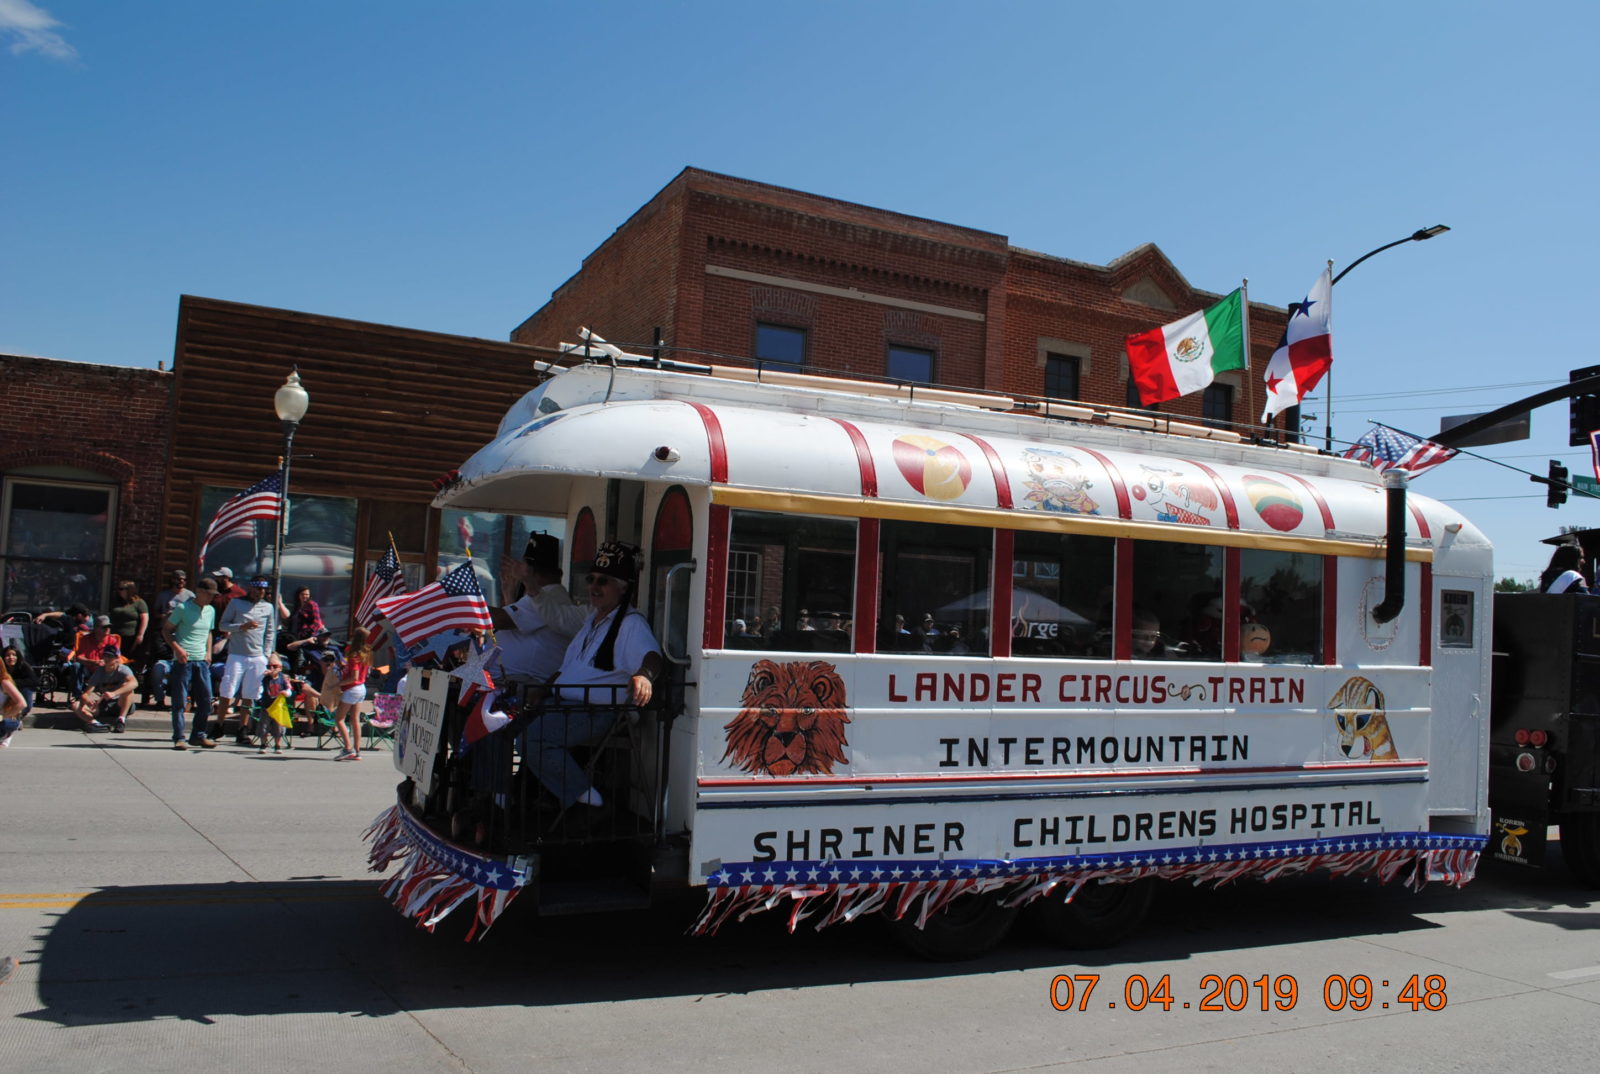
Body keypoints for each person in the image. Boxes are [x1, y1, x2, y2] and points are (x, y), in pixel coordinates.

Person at [523, 541, 663, 811]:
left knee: (534, 738)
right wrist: (544, 689)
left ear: (623, 588)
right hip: (564, 704)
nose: (593, 587)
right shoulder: (591, 620)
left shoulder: (631, 623)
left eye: (603, 581)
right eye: (591, 579)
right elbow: (566, 668)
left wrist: (645, 676)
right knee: (508, 726)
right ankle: (511, 801)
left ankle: (588, 804)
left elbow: (653, 656)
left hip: (597, 711)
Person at [492, 534, 584, 687]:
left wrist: (463, 601)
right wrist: (509, 595)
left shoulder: (550, 595)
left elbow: (500, 620)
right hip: (508, 679)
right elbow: (517, 628)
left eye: (533, 573)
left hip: (523, 683)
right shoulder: (538, 596)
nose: (529, 578)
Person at [215, 575, 277, 745]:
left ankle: (243, 728)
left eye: (263, 589)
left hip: (257, 656)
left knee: (250, 694)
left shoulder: (268, 607)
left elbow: (270, 632)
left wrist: (266, 654)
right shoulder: (236, 603)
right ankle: (219, 725)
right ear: (251, 588)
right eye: (258, 589)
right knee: (227, 690)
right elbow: (222, 625)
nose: (260, 592)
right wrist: (241, 627)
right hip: (237, 654)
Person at [164, 577, 219, 750]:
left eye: (213, 595)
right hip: (183, 660)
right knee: (180, 701)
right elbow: (166, 630)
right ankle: (179, 737)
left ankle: (198, 735)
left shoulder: (210, 610)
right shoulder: (183, 608)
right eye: (209, 594)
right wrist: (177, 649)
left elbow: (209, 632)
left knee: (206, 700)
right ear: (199, 592)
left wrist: (208, 652)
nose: (211, 598)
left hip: (201, 661)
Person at [70, 646, 136, 732]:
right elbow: (86, 693)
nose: (107, 658)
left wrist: (114, 693)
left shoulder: (123, 669)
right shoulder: (99, 671)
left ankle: (121, 720)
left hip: (120, 703)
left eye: (110, 656)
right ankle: (96, 724)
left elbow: (134, 683)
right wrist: (87, 700)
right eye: (105, 655)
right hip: (104, 703)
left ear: (117, 659)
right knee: (75, 705)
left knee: (128, 688)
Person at [333, 626, 373, 761]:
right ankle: (357, 751)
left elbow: (353, 677)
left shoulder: (354, 655)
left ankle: (348, 748)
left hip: (352, 688)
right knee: (354, 720)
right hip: (361, 687)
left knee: (339, 719)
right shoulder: (366, 654)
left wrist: (338, 684)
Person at [255, 656, 295, 753]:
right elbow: (258, 687)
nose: (271, 668)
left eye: (275, 666)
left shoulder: (283, 678)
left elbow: (289, 690)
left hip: (278, 707)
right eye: (269, 666)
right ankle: (263, 744)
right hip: (266, 706)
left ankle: (277, 745)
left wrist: (286, 693)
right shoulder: (264, 677)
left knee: (278, 727)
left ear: (280, 667)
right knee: (263, 726)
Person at [107, 580, 150, 670]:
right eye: (119, 589)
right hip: (115, 636)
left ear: (129, 590)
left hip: (130, 637)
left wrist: (140, 635)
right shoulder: (117, 602)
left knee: (127, 660)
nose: (119, 591)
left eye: (121, 589)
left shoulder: (139, 602)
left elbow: (145, 619)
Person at [286, 586, 325, 673]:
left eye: (307, 594)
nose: (305, 596)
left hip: (305, 638)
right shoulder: (297, 607)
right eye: (302, 594)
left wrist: (309, 635)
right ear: (298, 595)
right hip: (294, 637)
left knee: (301, 661)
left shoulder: (312, 604)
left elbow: (317, 622)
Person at [3, 646, 39, 723]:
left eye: (14, 655)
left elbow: (34, 681)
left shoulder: (23, 666)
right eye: (7, 655)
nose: (11, 657)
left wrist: (12, 683)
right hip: (6, 691)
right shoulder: (2, 668)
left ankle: (18, 717)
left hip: (22, 689)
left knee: (27, 691)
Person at [0, 653, 26, 749]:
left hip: (7, 717)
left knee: (6, 723)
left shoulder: (4, 683)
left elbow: (22, 703)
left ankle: (8, 734)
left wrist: (2, 717)